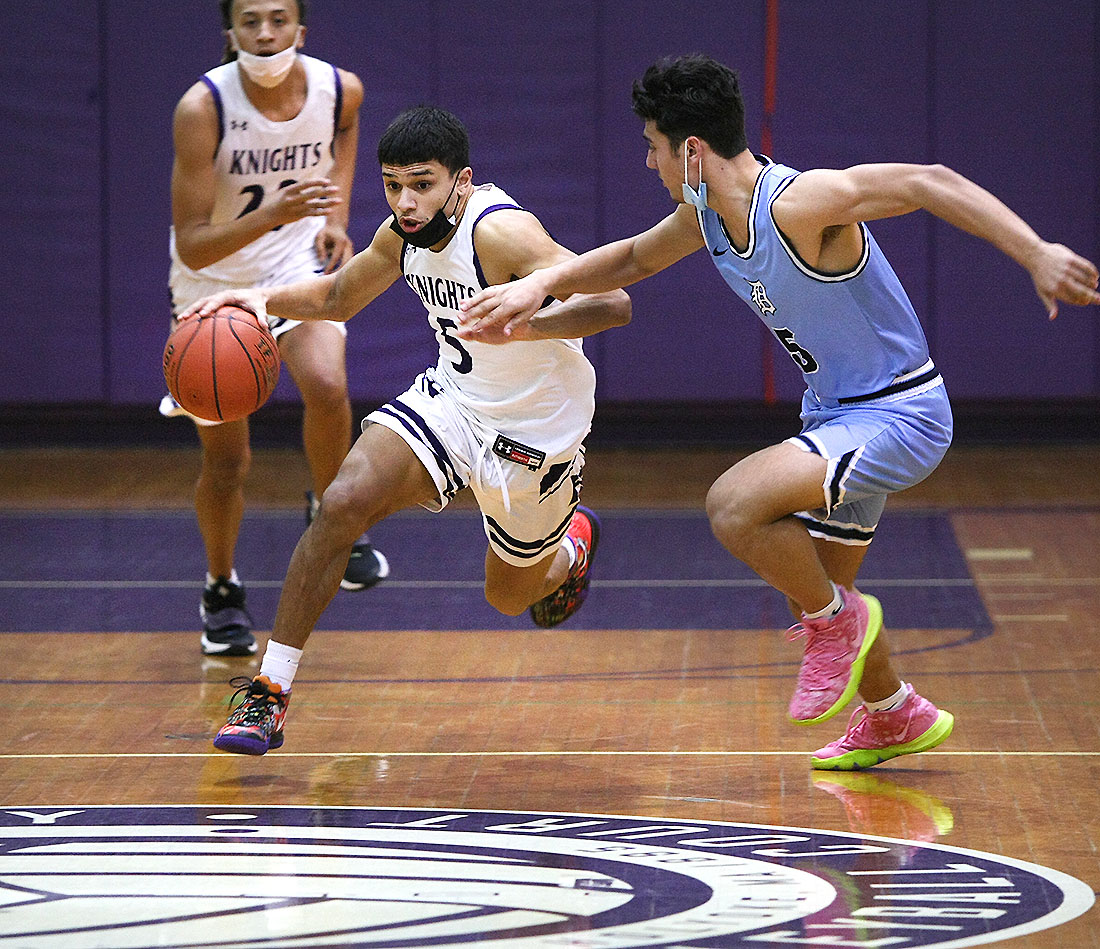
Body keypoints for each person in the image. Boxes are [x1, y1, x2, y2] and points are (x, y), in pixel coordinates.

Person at [457, 53, 1100, 770]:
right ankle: (893, 712)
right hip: (836, 416)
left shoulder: (798, 205)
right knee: (815, 582)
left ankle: (837, 623)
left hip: (900, 416)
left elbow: (929, 181)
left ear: (691, 150)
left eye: (653, 146)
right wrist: (536, 291)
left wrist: (1036, 253)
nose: (648, 162)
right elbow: (633, 259)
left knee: (735, 507)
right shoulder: (707, 216)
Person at [180, 105, 631, 755]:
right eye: (393, 185)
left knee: (510, 597)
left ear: (462, 181)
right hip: (454, 403)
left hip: (535, 432)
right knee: (341, 502)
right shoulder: (402, 235)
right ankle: (269, 694)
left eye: (422, 184)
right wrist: (257, 300)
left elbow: (612, 303)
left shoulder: (503, 233)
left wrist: (526, 321)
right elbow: (338, 297)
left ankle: (570, 549)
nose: (406, 201)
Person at [164, 0, 390, 659]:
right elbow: (193, 245)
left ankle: (333, 513)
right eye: (251, 21)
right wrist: (276, 213)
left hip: (293, 263)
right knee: (227, 460)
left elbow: (344, 134)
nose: (265, 34)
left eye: (278, 19)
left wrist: (334, 218)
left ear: (300, 28)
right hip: (213, 281)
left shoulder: (339, 88)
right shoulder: (202, 108)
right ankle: (221, 587)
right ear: (230, 31)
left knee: (327, 384)